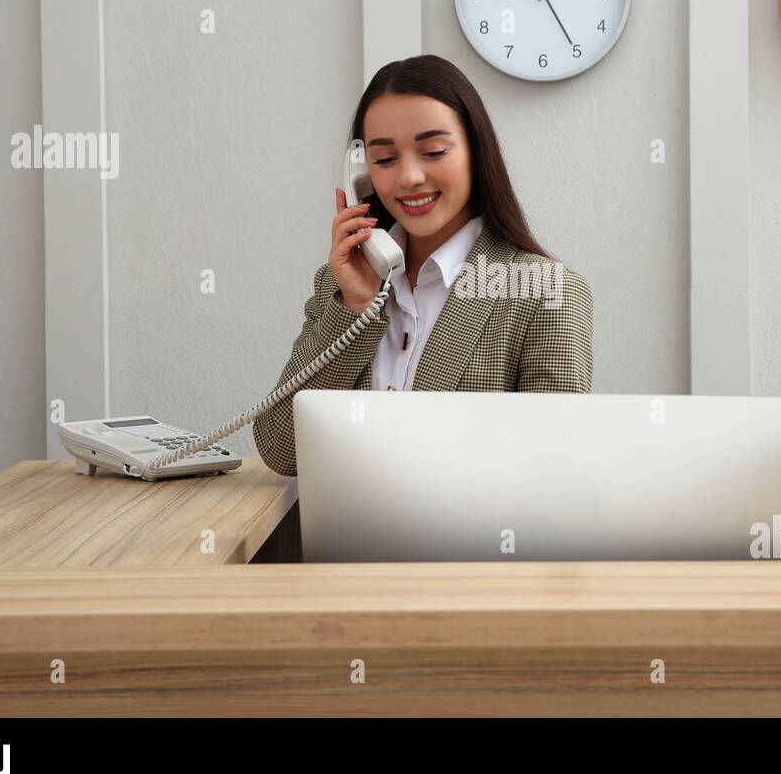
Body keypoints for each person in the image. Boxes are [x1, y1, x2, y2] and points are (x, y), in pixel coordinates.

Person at [253, 54, 594, 477]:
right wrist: (354, 310)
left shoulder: (545, 290)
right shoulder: (339, 286)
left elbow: (553, 475)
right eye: (384, 159)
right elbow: (281, 450)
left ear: (475, 150)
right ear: (360, 172)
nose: (410, 177)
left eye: (433, 151)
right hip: (345, 543)